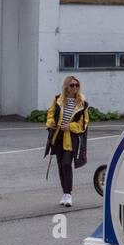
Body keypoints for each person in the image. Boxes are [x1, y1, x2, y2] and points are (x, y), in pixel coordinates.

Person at [45, 75, 90, 207]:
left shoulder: (83, 104)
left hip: (71, 139)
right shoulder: (57, 99)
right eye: (72, 85)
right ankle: (64, 193)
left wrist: (69, 126)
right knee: (60, 165)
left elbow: (84, 124)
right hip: (57, 137)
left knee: (66, 164)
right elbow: (50, 114)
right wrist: (50, 123)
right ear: (66, 87)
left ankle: (69, 194)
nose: (75, 87)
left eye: (77, 85)